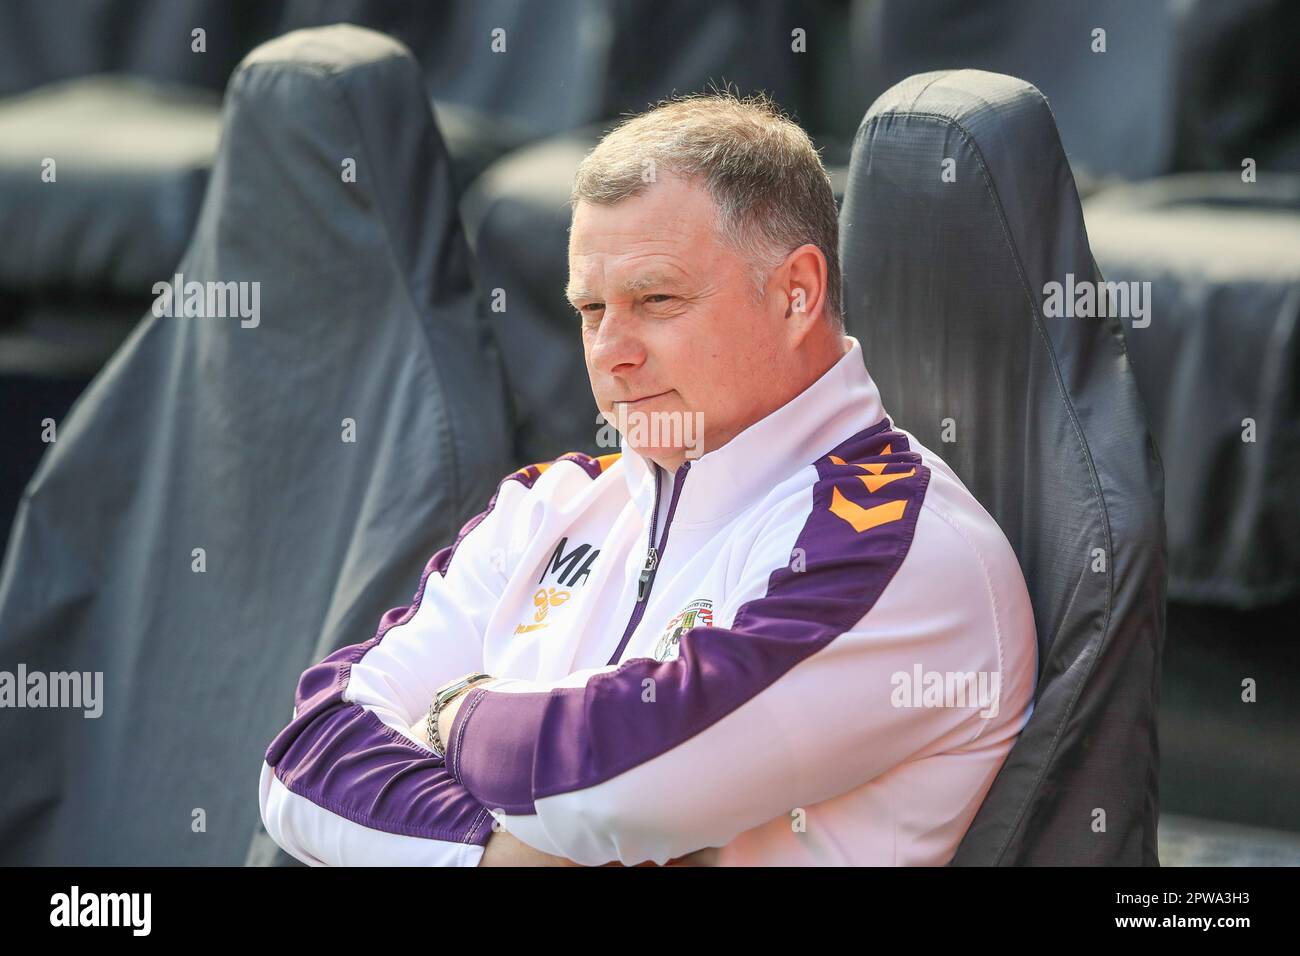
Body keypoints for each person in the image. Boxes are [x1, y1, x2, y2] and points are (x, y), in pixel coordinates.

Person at [258, 91, 1038, 866]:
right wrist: (499, 856)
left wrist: (452, 711)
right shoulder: (547, 503)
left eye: (655, 300)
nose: (610, 352)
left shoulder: (904, 543)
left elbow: (615, 780)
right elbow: (302, 766)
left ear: (798, 293)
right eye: (591, 308)